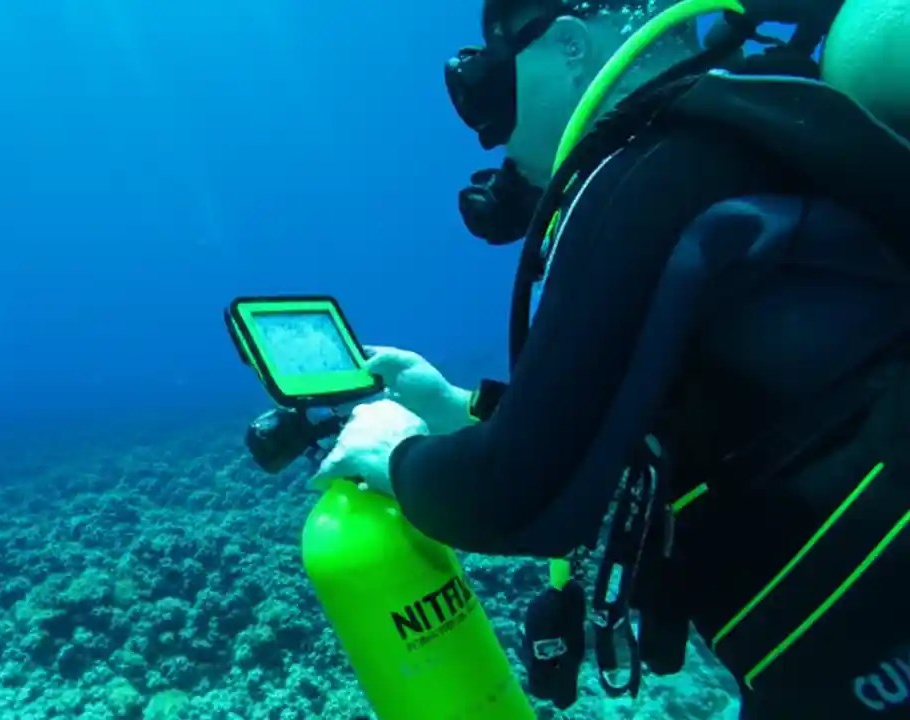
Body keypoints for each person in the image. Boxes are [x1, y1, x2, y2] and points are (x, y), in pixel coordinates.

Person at [311, 0, 910, 717]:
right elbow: (648, 414)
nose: (490, 130)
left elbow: (514, 496)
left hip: (862, 649)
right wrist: (458, 407)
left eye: (494, 79)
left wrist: (399, 455)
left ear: (570, 46)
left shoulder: (647, 172)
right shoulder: (771, 121)